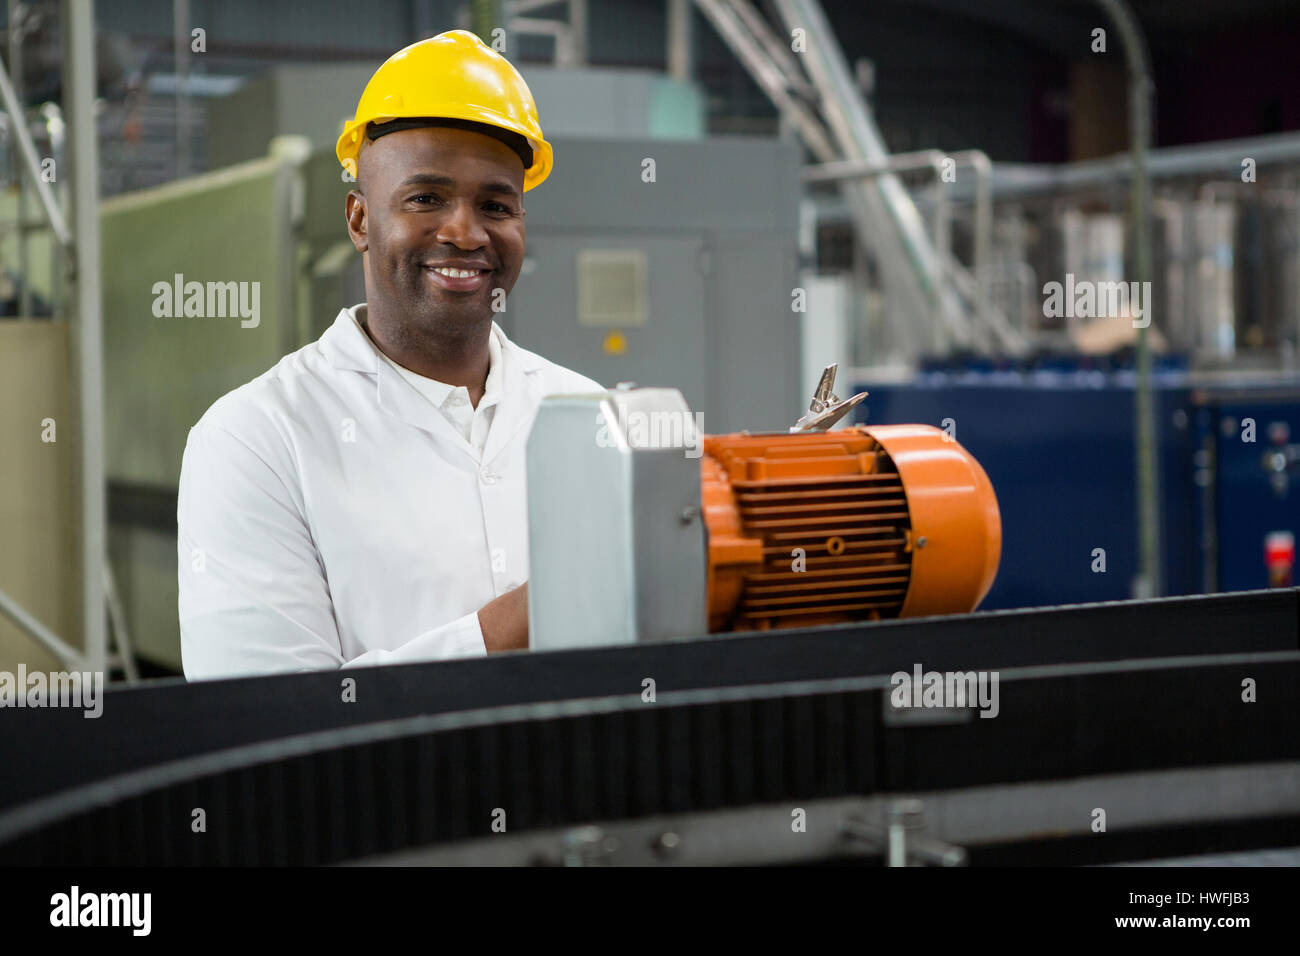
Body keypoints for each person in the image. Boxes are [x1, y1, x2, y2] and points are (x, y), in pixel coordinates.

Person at [177, 30, 602, 680]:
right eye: (425, 199)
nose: (465, 231)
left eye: (496, 204)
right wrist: (520, 623)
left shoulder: (590, 414)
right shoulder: (255, 441)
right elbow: (263, 725)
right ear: (358, 220)